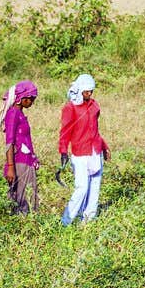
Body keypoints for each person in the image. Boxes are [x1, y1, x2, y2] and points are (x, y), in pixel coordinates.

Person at [57, 73, 108, 226]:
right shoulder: (70, 108)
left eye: (91, 91)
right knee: (82, 187)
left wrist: (104, 147)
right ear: (79, 90)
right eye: (86, 91)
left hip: (95, 150)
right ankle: (66, 220)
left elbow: (96, 130)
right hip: (80, 153)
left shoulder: (94, 105)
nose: (89, 94)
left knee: (95, 186)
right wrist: (63, 150)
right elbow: (65, 131)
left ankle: (87, 219)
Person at [1, 80, 40, 215]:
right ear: (21, 98)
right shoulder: (13, 114)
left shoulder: (20, 114)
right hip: (19, 163)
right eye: (30, 99)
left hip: (26, 161)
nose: (32, 102)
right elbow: (9, 143)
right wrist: (11, 167)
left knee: (26, 198)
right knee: (23, 200)